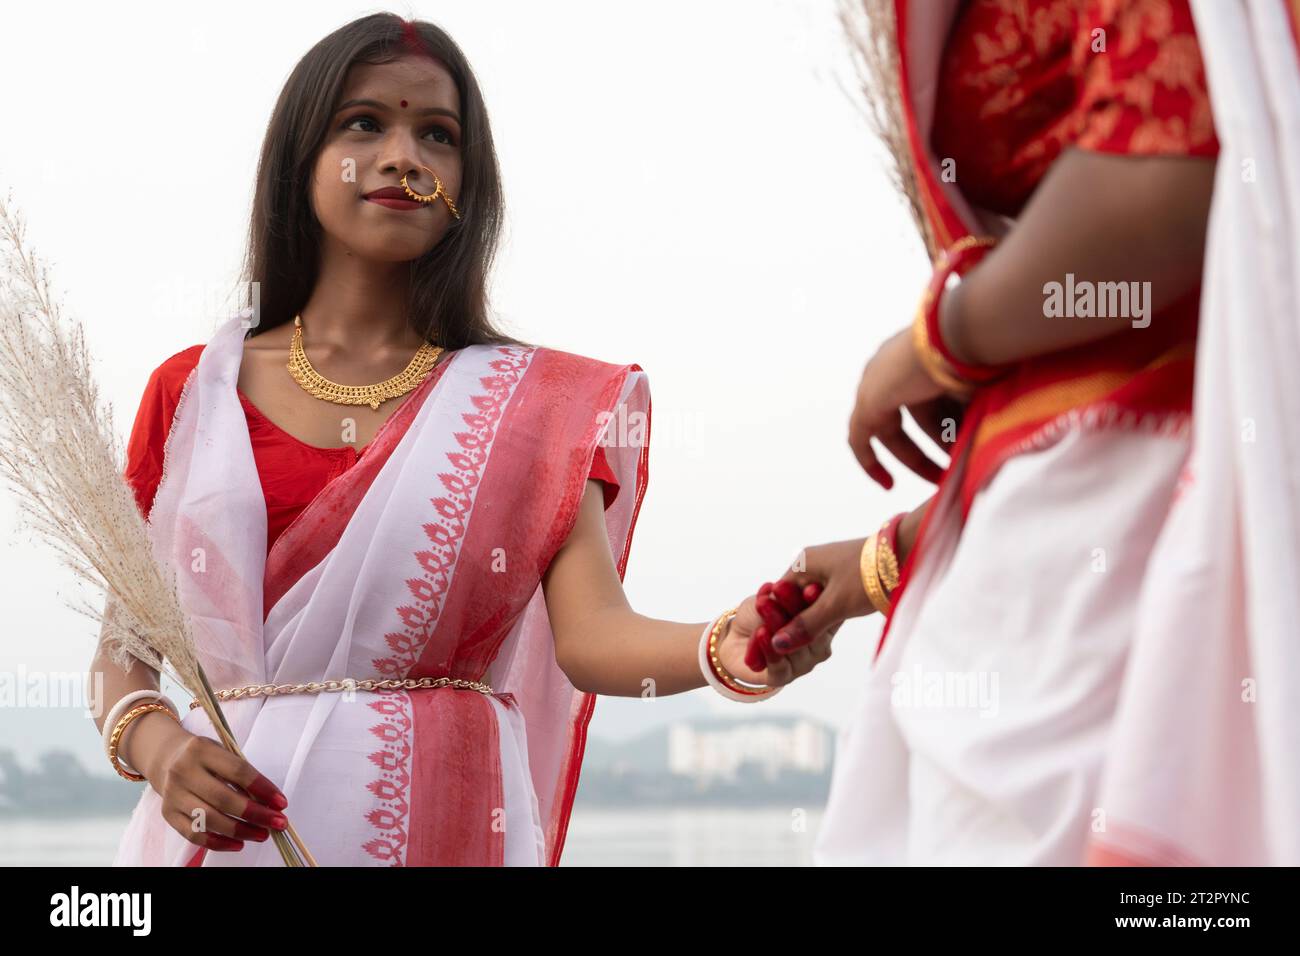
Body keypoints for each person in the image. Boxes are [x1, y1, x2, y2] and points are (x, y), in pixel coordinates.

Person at [93, 13, 833, 867]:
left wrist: (723, 644)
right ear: (300, 157)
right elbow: (122, 653)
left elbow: (593, 639)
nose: (404, 155)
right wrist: (158, 749)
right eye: (364, 122)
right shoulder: (196, 392)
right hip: (224, 831)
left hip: (447, 820)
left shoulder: (535, 408)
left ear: (467, 182)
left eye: (437, 135)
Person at [749, 0, 1223, 864]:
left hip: (1142, 580)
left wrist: (937, 341)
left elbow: (1166, 175)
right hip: (1059, 573)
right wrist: (877, 562)